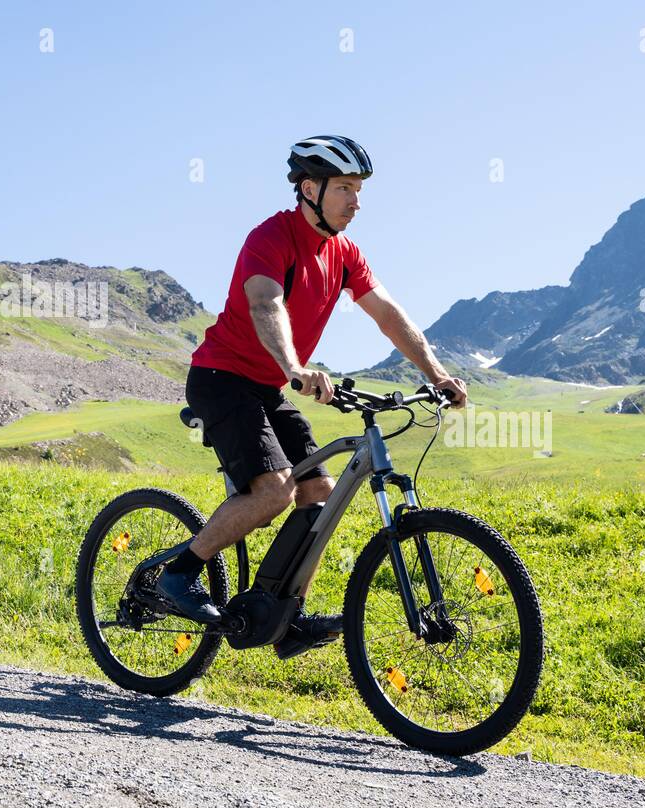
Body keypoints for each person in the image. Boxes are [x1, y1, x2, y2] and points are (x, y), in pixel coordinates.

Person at [158, 134, 468, 648]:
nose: (356, 200)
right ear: (309, 188)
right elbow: (265, 304)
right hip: (221, 377)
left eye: (359, 189)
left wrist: (436, 373)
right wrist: (296, 367)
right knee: (275, 490)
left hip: (266, 386)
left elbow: (389, 316)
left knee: (319, 494)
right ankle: (179, 572)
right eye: (345, 187)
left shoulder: (344, 252)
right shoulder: (271, 237)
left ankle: (282, 613)